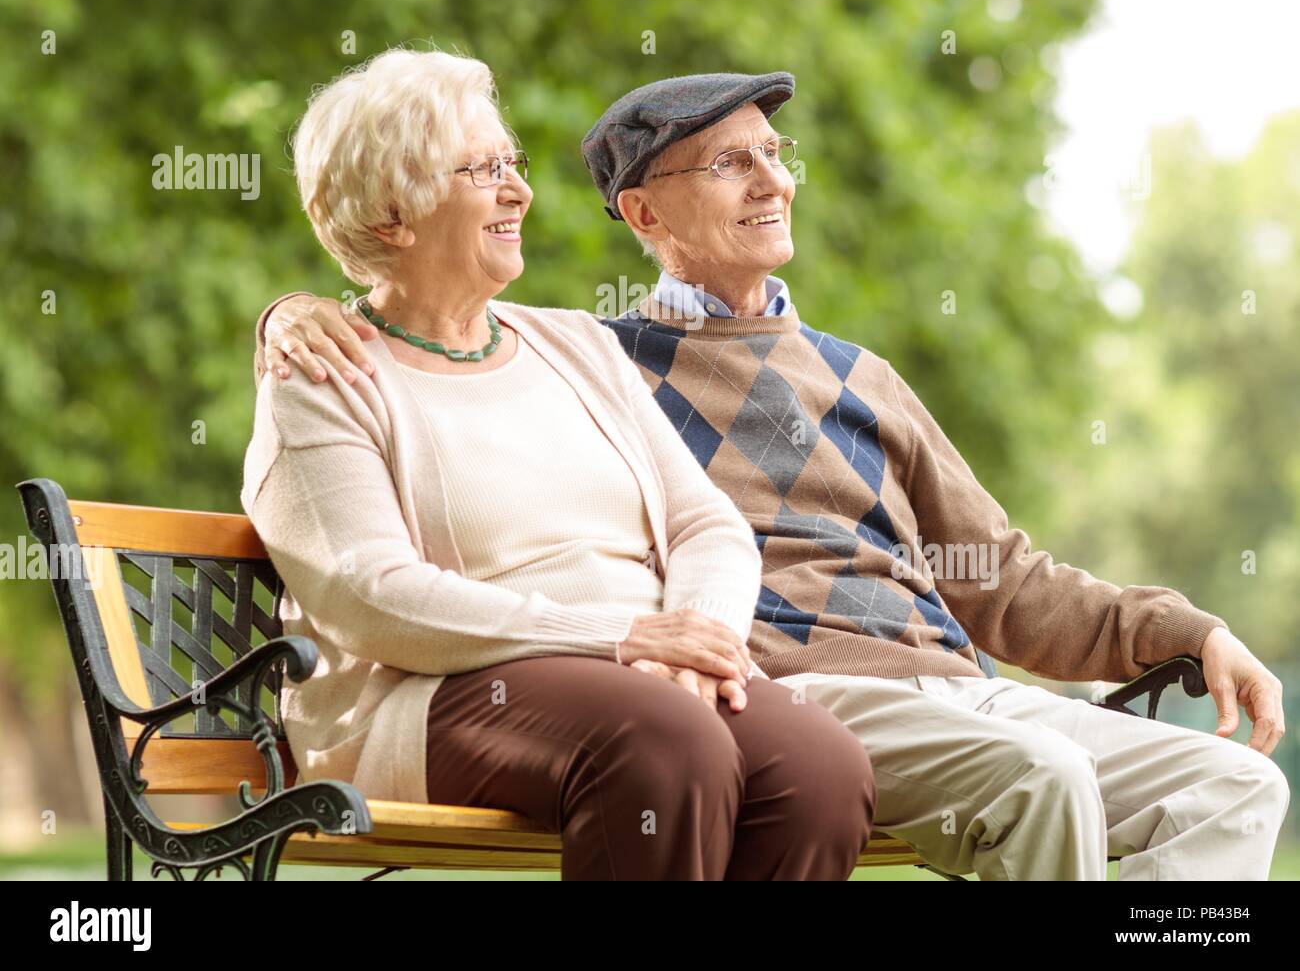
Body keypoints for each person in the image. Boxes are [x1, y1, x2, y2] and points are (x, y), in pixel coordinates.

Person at [263, 67, 1288, 881]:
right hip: (777, 689)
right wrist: (289, 311)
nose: (773, 182)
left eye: (773, 155)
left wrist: (1184, 631)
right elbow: (410, 366)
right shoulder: (617, 355)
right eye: (728, 164)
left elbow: (1005, 580)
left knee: (1237, 791)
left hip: (942, 688)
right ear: (642, 218)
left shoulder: (852, 377)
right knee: (1030, 778)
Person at [241, 50, 875, 881]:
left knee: (819, 770)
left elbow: (704, 522)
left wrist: (699, 642)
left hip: (640, 678)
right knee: (665, 744)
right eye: (482, 169)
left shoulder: (574, 343)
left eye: (513, 164)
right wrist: (617, 639)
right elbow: (371, 595)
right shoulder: (324, 377)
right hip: (435, 693)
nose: (520, 192)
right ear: (393, 212)